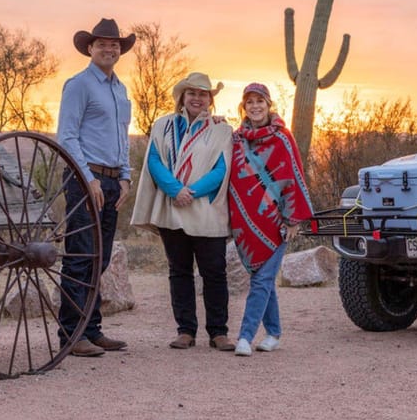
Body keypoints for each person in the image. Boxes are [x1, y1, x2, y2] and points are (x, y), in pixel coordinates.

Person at [131, 72, 235, 351]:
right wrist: (175, 189)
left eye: (203, 94)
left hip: (206, 210)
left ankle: (218, 331)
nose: (197, 99)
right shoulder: (163, 125)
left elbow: (222, 168)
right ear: (182, 97)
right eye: (192, 93)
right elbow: (154, 160)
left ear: (210, 100)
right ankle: (185, 330)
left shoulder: (222, 130)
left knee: (214, 271)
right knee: (179, 271)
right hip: (172, 206)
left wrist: (192, 192)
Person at [56, 17, 134, 357]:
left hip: (113, 180)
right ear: (90, 48)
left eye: (114, 44)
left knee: (98, 259)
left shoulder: (120, 89)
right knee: (79, 256)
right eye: (102, 43)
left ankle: (92, 328)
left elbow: (122, 136)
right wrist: (87, 178)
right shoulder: (78, 85)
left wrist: (126, 176)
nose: (109, 48)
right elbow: (67, 136)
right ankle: (71, 335)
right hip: (84, 178)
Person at [228, 83, 313, 356]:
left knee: (262, 279)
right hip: (246, 222)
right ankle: (274, 332)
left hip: (277, 222)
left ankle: (245, 336)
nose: (255, 106)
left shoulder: (282, 138)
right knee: (262, 279)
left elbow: (293, 179)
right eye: (249, 102)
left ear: (268, 104)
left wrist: (292, 220)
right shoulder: (237, 139)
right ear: (244, 106)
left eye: (259, 101)